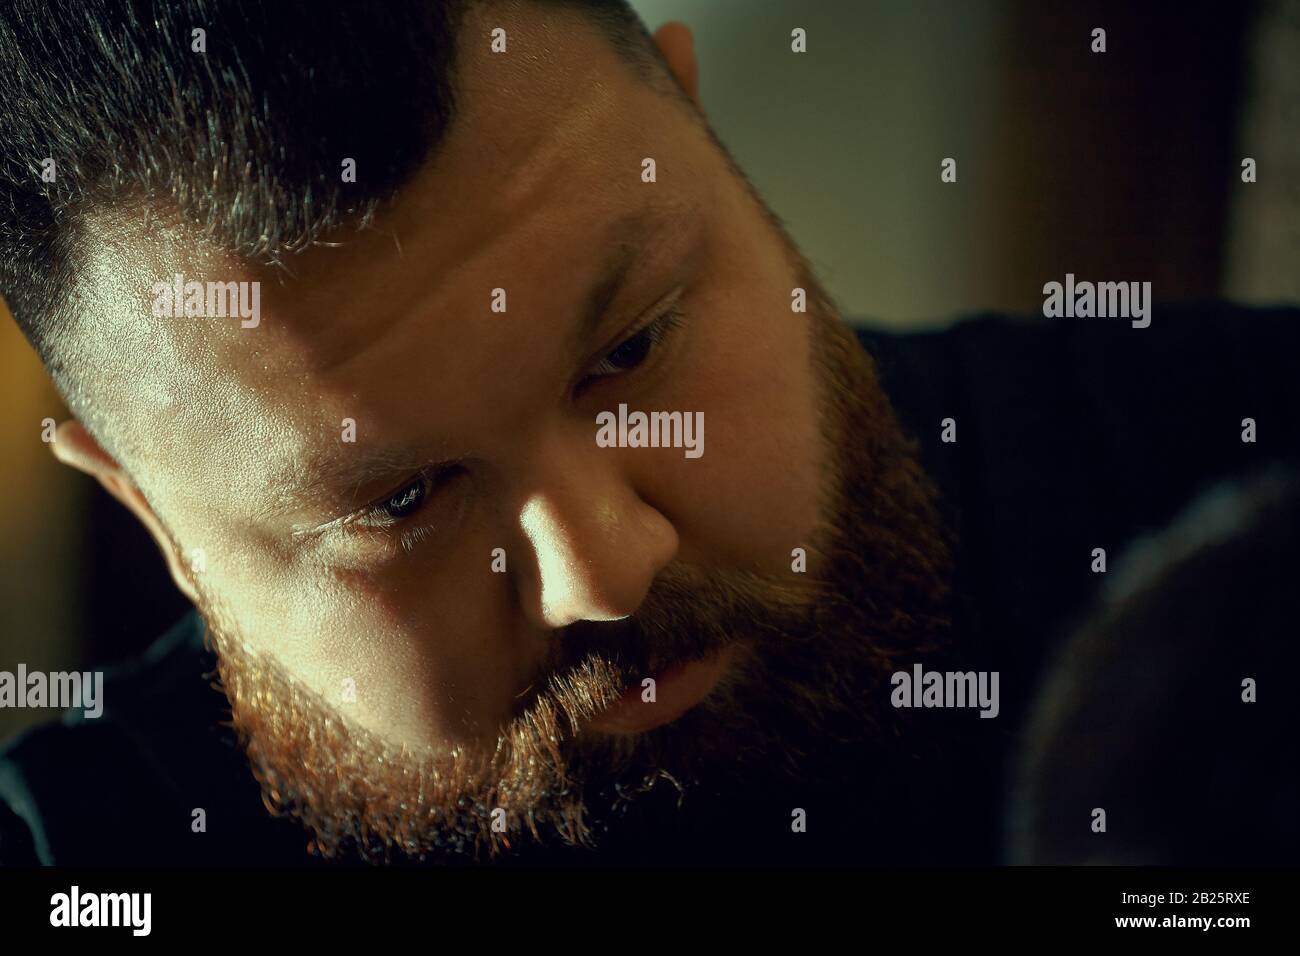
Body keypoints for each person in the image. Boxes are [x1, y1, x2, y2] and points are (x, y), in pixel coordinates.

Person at [0, 0, 1296, 866]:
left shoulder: (1246, 486)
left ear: (705, 137)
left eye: (628, 350)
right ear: (153, 517)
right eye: (401, 499)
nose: (606, 568)